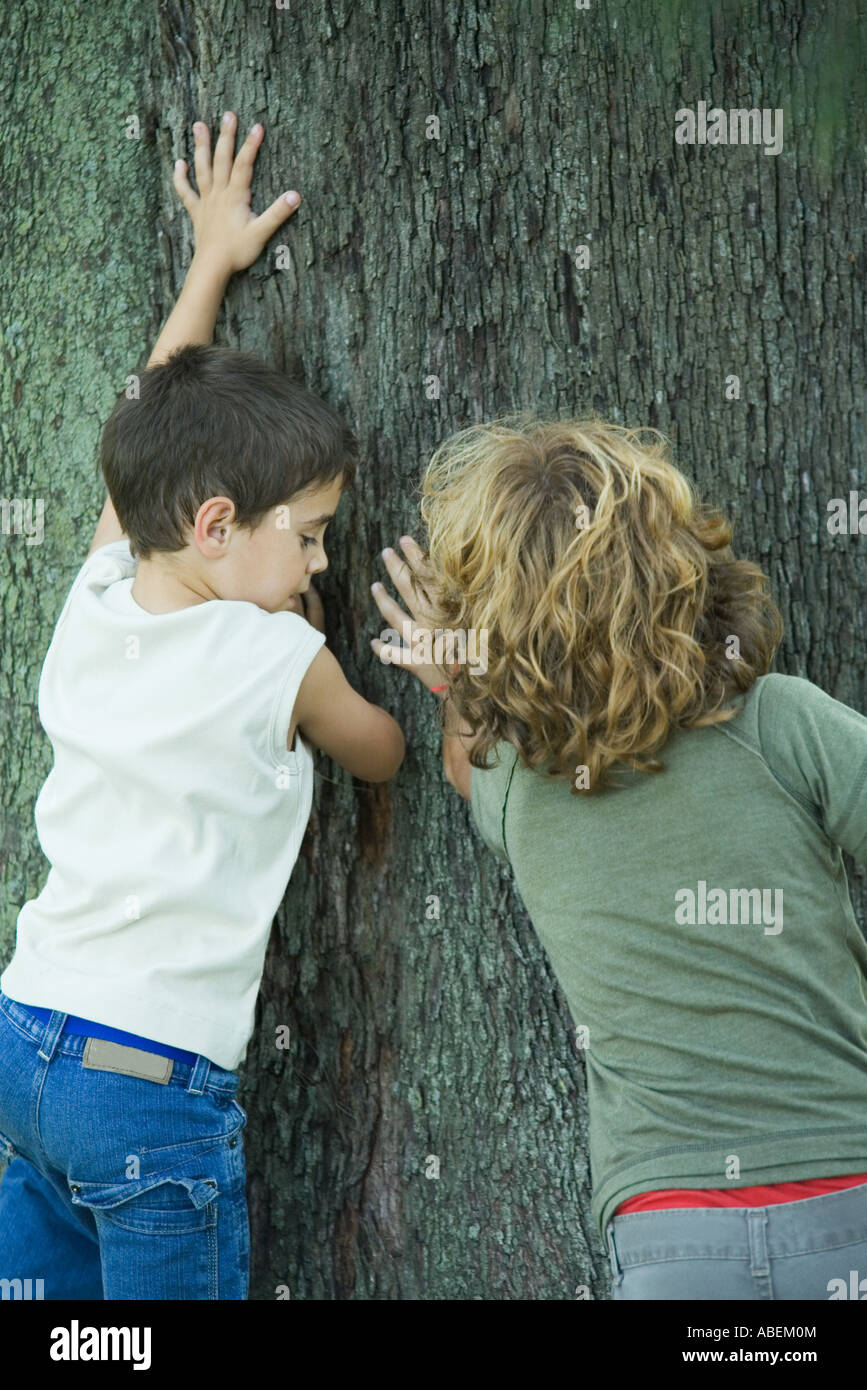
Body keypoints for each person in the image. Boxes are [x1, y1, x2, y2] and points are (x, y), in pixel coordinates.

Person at [0, 113, 410, 1300]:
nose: (323, 562)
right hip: (147, 1089)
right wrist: (318, 636)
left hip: (28, 1042)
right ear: (221, 525)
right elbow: (380, 753)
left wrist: (207, 268)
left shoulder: (97, 594)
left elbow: (142, 451)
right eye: (316, 536)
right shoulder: (270, 654)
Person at [368, 415, 867, 1299]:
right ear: (676, 569)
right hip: (846, 1188)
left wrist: (456, 672)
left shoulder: (521, 789)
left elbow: (464, 761)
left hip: (671, 1233)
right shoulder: (784, 725)